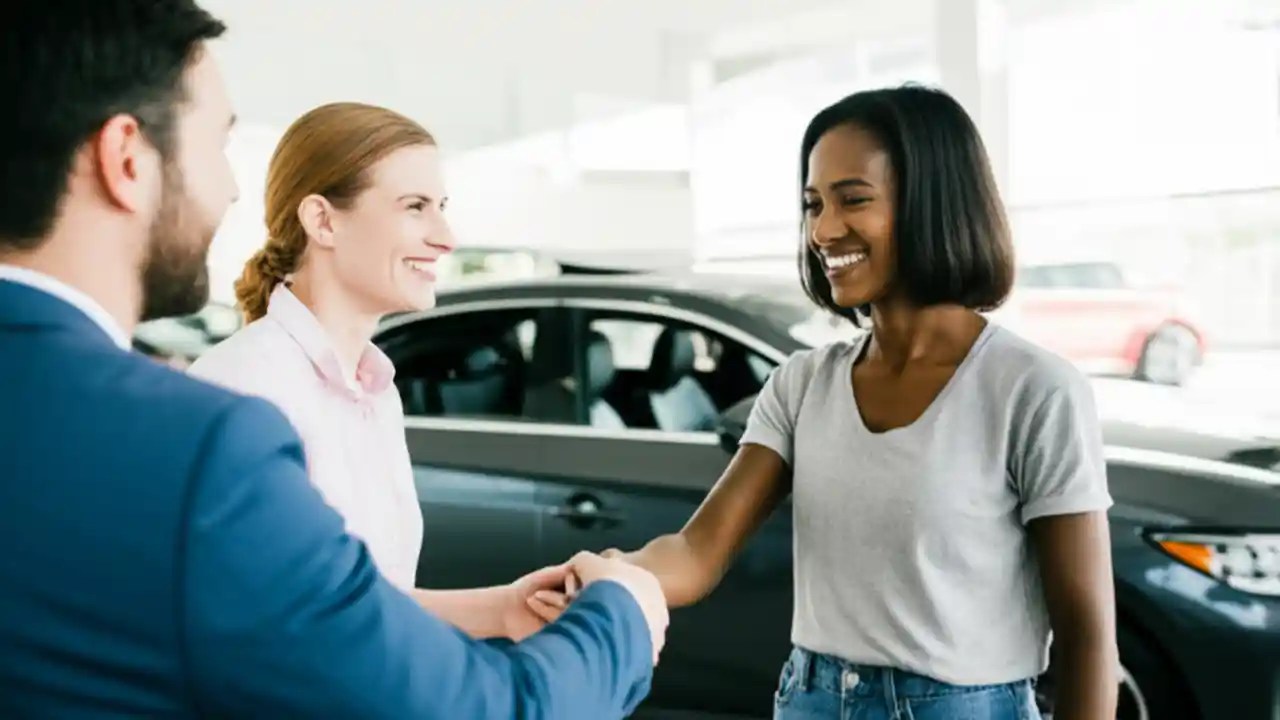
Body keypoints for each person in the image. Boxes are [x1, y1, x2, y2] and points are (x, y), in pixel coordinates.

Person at [0, 1, 667, 717]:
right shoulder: (222, 425)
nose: (230, 189)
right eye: (217, 144)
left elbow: (323, 613)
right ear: (127, 158)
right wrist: (622, 614)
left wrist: (500, 610)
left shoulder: (375, 390)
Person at [567, 86, 1119, 719]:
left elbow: (1087, 634)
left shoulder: (1033, 389)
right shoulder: (802, 385)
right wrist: (612, 575)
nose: (824, 230)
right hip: (810, 699)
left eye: (853, 200)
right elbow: (695, 554)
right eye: (812, 204)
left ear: (932, 204)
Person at [187, 101, 563, 641]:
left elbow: (365, 604)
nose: (446, 236)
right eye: (415, 207)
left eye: (441, 206)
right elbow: (256, 629)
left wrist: (504, 609)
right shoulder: (242, 390)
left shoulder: (374, 391)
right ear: (322, 220)